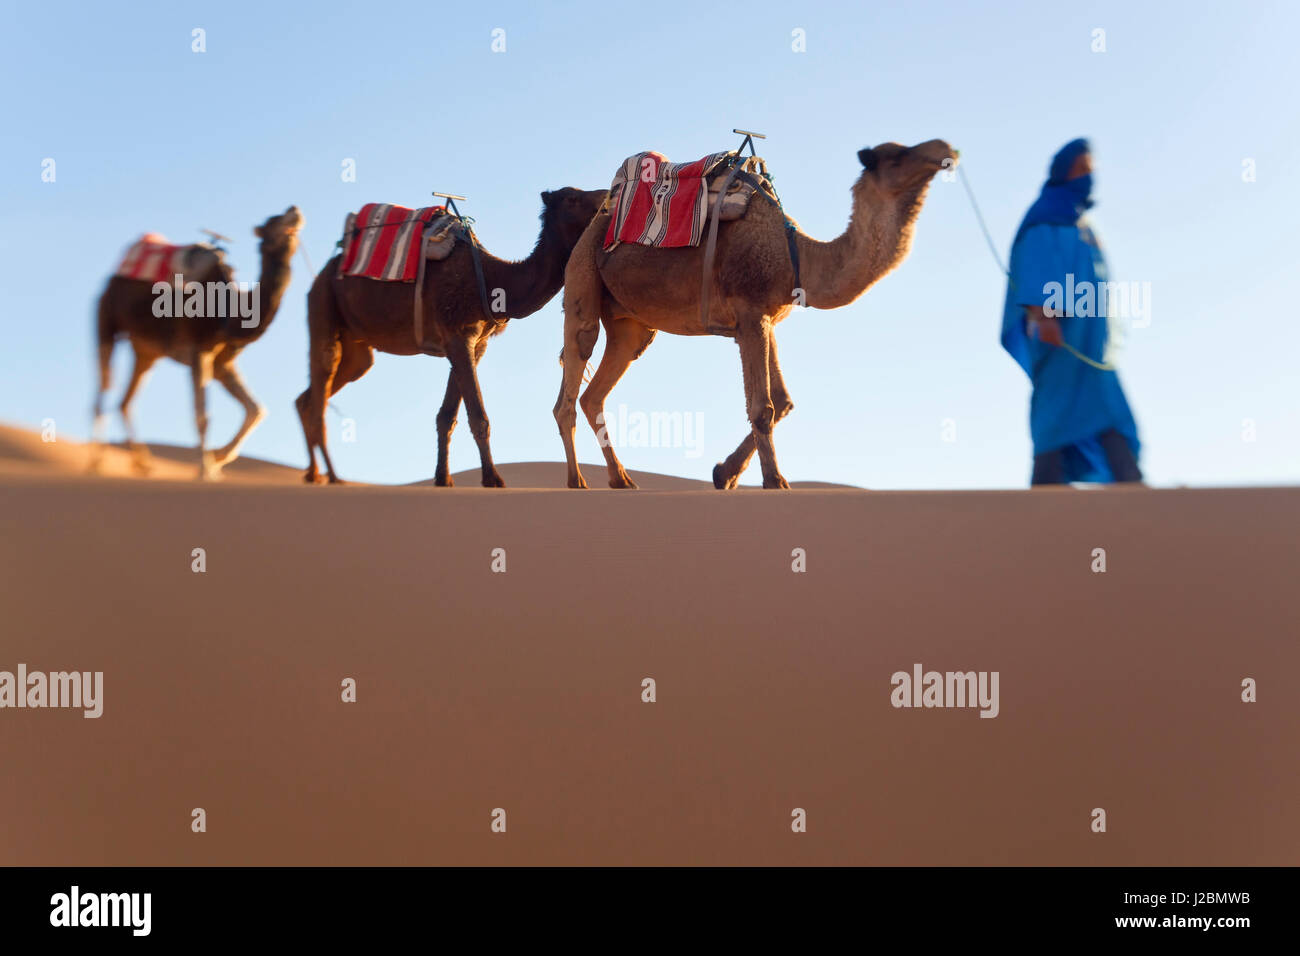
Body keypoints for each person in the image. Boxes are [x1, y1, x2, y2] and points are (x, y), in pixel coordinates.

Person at [1001, 139, 1142, 485]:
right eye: (1082, 169)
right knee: (1058, 410)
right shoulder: (1046, 214)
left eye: (1091, 170)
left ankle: (1131, 488)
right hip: (1059, 336)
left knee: (1107, 407)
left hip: (1091, 341)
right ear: (1065, 172)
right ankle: (1048, 491)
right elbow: (1035, 262)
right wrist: (1043, 315)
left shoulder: (1083, 223)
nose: (1089, 177)